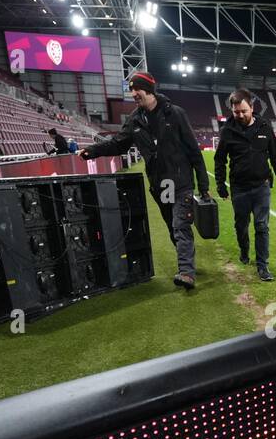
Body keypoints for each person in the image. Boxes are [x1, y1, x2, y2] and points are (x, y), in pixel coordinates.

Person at [81, 72, 211, 290]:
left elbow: (193, 151)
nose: (133, 94)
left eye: (136, 89)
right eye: (131, 90)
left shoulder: (175, 114)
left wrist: (204, 185)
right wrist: (92, 151)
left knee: (181, 226)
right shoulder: (134, 120)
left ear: (149, 89)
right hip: (159, 185)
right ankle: (186, 263)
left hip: (181, 183)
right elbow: (118, 144)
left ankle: (186, 272)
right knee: (172, 228)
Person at [214, 89, 276, 282]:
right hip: (239, 189)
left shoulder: (264, 127)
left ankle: (263, 266)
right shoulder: (227, 131)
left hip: (262, 187)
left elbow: (275, 156)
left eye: (244, 111)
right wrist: (220, 185)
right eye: (236, 112)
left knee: (262, 226)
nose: (240, 115)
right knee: (241, 226)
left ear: (252, 108)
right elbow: (219, 160)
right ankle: (244, 249)